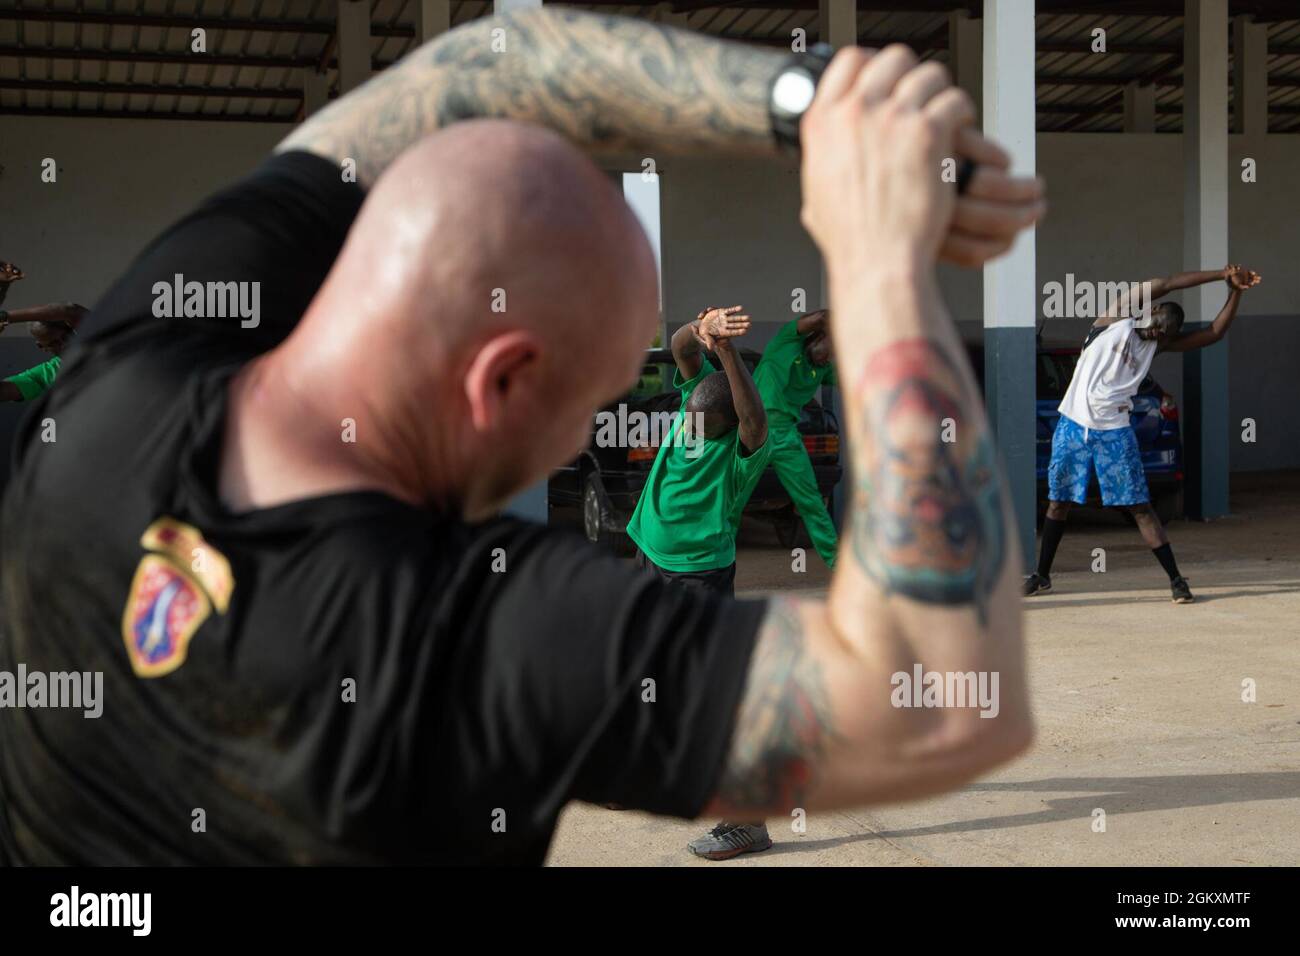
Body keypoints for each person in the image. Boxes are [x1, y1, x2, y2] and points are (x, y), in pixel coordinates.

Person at [0, 9, 1043, 865]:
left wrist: (802, 101)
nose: (575, 442)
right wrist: (879, 262)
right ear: (503, 378)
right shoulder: (476, 632)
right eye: (583, 403)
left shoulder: (127, 362)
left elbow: (471, 68)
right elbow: (943, 696)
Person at [1024, 264, 1261, 603]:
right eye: (1153, 329)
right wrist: (1222, 273)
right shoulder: (1112, 320)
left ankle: (1176, 580)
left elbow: (1213, 333)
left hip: (1114, 433)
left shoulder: (1157, 343)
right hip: (1073, 427)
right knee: (1058, 502)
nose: (1154, 337)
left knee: (1139, 507)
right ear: (1148, 313)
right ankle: (1042, 576)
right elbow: (1167, 283)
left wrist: (1235, 291)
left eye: (1162, 336)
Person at [627, 304, 769, 599]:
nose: (689, 426)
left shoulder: (741, 449)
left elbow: (754, 420)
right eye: (688, 420)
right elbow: (681, 349)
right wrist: (701, 326)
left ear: (731, 425)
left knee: (696, 644)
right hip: (648, 550)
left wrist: (726, 349)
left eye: (701, 426)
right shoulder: (693, 398)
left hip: (697, 571)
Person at [752, 308, 839, 567]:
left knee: (811, 500)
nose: (827, 359)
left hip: (786, 434)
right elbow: (822, 316)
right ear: (816, 337)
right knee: (732, 497)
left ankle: (837, 562)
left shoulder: (823, 369)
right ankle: (709, 558)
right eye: (828, 350)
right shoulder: (787, 340)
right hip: (753, 428)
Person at [0, 303, 88, 402]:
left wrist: (3, 317)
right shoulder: (49, 373)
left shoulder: (96, 343)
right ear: (41, 346)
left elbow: (70, 310)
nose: (64, 345)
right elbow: (3, 392)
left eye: (66, 337)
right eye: (54, 343)